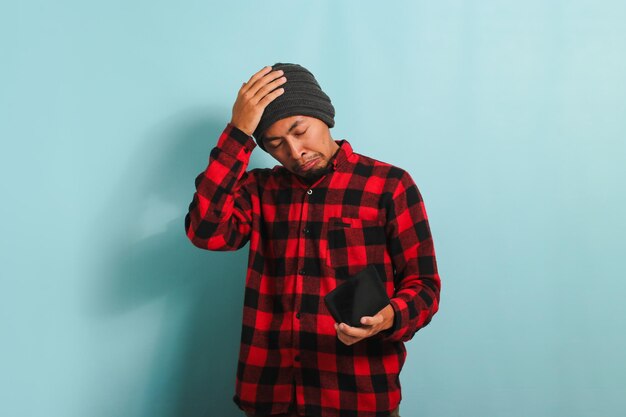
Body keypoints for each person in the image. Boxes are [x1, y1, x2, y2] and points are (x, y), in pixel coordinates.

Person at [185, 63, 441, 417]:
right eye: (275, 144)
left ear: (324, 115)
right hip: (270, 397)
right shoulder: (259, 190)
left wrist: (388, 318)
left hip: (358, 396)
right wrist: (238, 133)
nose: (295, 151)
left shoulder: (389, 185)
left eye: (299, 130)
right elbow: (205, 232)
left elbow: (424, 285)